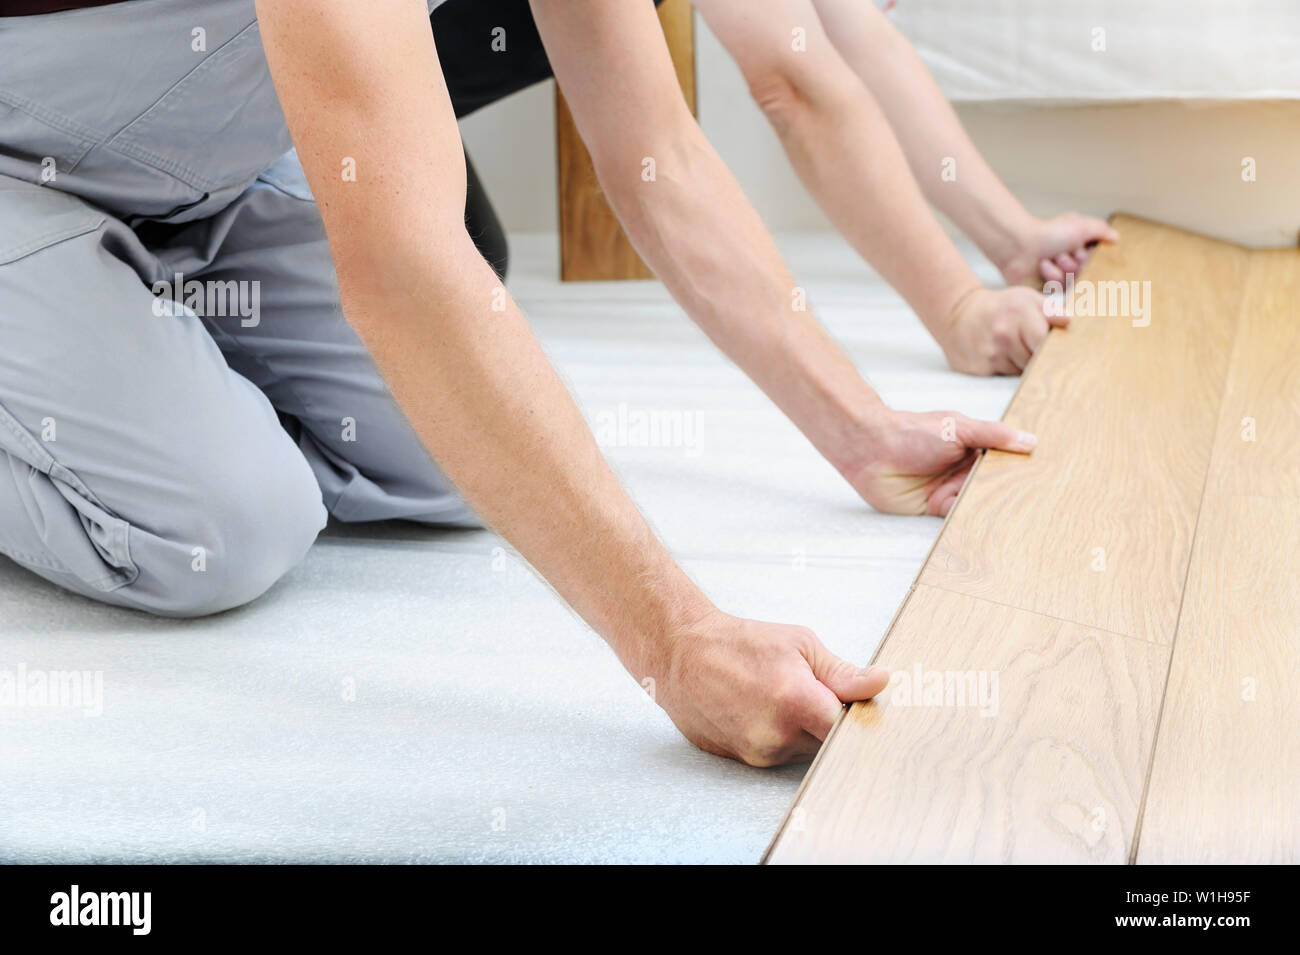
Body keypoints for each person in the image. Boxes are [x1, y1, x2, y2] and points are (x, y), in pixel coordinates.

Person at [0, 0, 1032, 766]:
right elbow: (403, 273)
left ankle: (105, 327)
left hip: (206, 180)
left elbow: (657, 156)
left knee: (458, 455)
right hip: (21, 160)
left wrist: (859, 429)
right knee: (224, 523)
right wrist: (675, 640)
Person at [439, 0, 1118, 376]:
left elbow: (853, 36)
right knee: (442, 308)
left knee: (473, 257)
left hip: (401, 107)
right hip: (343, 104)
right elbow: (791, 86)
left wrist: (1013, 239)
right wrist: (959, 308)